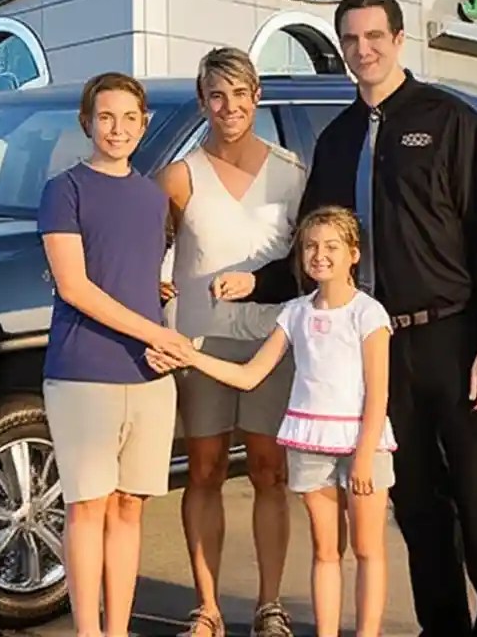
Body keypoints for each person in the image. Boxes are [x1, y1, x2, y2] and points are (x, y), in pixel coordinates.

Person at [210, 0, 477, 637]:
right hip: (378, 351)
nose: (363, 51)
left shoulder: (448, 121)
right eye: (351, 40)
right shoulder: (337, 141)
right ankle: (443, 627)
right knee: (415, 505)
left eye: (374, 37)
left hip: (458, 338)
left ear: (398, 40)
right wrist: (256, 282)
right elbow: (315, 248)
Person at [150, 205, 395, 637]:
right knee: (325, 550)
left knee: (367, 547)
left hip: (363, 445)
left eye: (332, 247)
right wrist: (192, 356)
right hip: (309, 441)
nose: (320, 255)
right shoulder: (295, 312)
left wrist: (362, 455)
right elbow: (250, 375)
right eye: (311, 247)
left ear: (353, 254)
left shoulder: (368, 313)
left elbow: (378, 392)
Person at [153, 47, 303, 637]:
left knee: (270, 471)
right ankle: (207, 609)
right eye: (217, 95)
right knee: (205, 471)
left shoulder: (292, 173)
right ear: (202, 102)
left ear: (256, 97)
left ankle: (270, 606)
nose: (230, 106)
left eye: (240, 94)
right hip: (200, 344)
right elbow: (148, 251)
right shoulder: (180, 176)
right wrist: (156, 289)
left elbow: (308, 260)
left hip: (272, 343)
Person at [38, 71, 193, 637]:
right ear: (87, 123)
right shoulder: (65, 190)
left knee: (130, 505)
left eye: (130, 118)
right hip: (84, 374)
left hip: (149, 377)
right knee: (88, 507)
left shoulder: (153, 197)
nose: (118, 128)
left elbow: (144, 278)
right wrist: (154, 333)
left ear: (144, 123)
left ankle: (118, 628)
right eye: (106, 117)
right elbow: (75, 286)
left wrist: (162, 324)